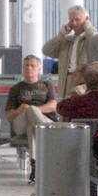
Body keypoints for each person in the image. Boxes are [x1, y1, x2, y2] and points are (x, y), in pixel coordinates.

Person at [5, 54, 58, 183]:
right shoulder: (16, 89)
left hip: (43, 120)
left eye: (32, 66)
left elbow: (53, 105)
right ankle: (49, 137)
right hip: (20, 122)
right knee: (29, 118)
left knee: (32, 128)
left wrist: (33, 110)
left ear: (39, 69)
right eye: (26, 66)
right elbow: (9, 116)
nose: (29, 68)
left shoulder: (46, 85)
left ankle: (35, 165)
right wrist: (20, 110)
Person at [41, 4, 97, 100]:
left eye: (77, 19)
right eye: (71, 20)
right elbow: (46, 50)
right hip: (66, 81)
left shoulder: (91, 38)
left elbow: (95, 40)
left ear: (86, 19)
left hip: (84, 82)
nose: (74, 23)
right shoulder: (67, 41)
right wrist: (61, 35)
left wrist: (87, 25)